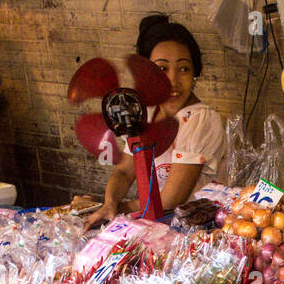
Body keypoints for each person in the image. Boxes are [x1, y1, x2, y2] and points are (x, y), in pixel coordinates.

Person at [87, 15, 226, 227]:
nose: (172, 80)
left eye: (184, 69)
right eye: (161, 69)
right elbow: (124, 171)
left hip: (194, 231)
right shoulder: (147, 113)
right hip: (156, 224)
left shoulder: (199, 120)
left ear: (195, 73)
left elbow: (171, 200)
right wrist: (109, 202)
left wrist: (116, 208)